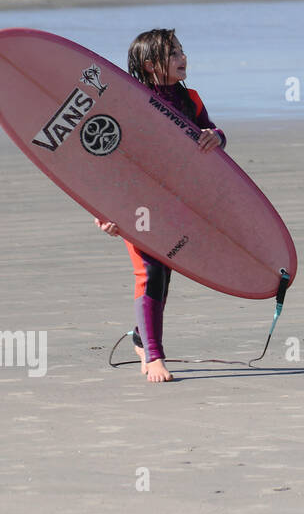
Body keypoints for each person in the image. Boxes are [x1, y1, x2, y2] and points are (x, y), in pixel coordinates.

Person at [94, 30, 225, 382]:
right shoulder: (129, 103)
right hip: (134, 201)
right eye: (174, 54)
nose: (183, 57)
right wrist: (104, 210)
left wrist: (216, 137)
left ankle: (140, 337)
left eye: (183, 50)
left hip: (175, 200)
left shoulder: (191, 99)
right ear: (151, 66)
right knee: (150, 271)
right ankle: (153, 356)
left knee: (164, 272)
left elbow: (210, 133)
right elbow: (106, 159)